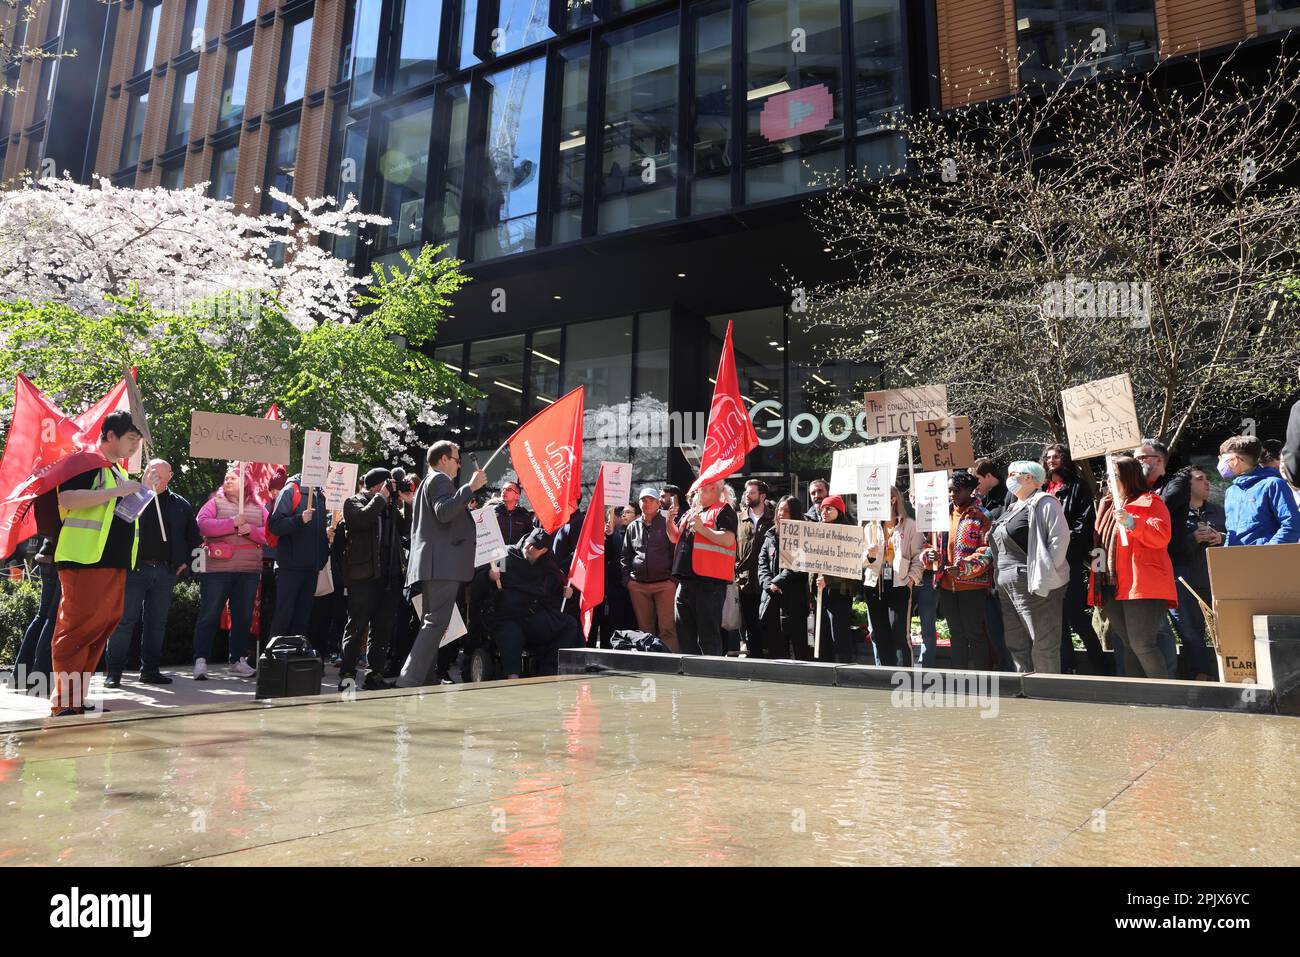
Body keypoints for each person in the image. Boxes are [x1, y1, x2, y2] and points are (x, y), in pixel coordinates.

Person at [48, 410, 144, 715]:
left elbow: (122, 511)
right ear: (110, 435)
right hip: (84, 560)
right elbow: (68, 499)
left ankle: (77, 697)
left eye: (138, 440)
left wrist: (142, 490)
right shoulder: (85, 462)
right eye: (131, 438)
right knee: (76, 630)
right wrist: (118, 491)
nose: (135, 446)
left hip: (111, 561)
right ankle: (64, 701)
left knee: (100, 628)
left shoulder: (117, 471)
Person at [103, 460, 200, 687]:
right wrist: (143, 492)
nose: (153, 475)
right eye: (149, 471)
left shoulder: (180, 504)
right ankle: (114, 672)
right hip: (136, 569)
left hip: (165, 571)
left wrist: (183, 561)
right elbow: (121, 520)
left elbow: (193, 536)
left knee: (157, 623)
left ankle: (150, 670)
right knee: (124, 621)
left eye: (158, 472)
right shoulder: (134, 496)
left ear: (171, 476)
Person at [400, 441, 487, 687]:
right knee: (436, 622)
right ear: (442, 459)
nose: (459, 465)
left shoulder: (430, 482)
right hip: (441, 565)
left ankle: (424, 679)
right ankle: (409, 679)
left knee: (432, 622)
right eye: (457, 459)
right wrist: (470, 488)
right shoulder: (439, 480)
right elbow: (444, 512)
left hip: (433, 564)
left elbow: (443, 516)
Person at [1090, 455, 1177, 679]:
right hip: (1111, 584)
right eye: (1107, 475)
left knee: (1142, 644)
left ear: (1129, 476)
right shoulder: (1106, 506)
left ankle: (1163, 696)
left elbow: (1161, 537)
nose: (1109, 480)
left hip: (1141, 584)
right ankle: (1139, 695)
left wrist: (1132, 523)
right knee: (1129, 644)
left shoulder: (1150, 502)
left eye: (1115, 475)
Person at [983, 460, 1070, 673]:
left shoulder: (1045, 502)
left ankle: (1047, 691)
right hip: (1006, 586)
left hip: (1034, 584)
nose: (1009, 478)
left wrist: (1046, 574)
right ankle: (1024, 687)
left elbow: (1059, 540)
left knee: (1042, 642)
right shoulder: (1012, 507)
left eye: (1013, 474)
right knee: (1016, 642)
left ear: (1029, 477)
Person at [193, 467, 270, 680]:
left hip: (248, 572)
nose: (227, 481)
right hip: (217, 569)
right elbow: (203, 525)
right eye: (226, 478)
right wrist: (232, 523)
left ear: (245, 481)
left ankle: (237, 660)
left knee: (243, 617)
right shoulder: (215, 503)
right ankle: (201, 660)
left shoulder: (258, 507)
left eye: (233, 478)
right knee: (209, 615)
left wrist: (251, 531)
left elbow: (271, 533)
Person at [1040, 443, 1106, 675]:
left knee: (1075, 614)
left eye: (1057, 456)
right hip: (1044, 562)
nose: (1051, 459)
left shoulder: (1078, 487)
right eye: (1048, 456)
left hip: (1068, 559)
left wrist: (1062, 544)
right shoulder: (1041, 489)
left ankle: (1099, 666)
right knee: (1056, 620)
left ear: (1066, 459)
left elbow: (1084, 523)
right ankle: (1067, 667)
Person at [339, 468, 405, 691]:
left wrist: (407, 501)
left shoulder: (390, 506)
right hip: (364, 576)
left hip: (389, 577)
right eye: (387, 484)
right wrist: (382, 497)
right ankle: (347, 675)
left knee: (382, 630)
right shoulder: (354, 501)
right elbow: (362, 520)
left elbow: (407, 528)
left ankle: (374, 674)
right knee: (356, 628)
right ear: (377, 485)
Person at [488, 528, 583, 677]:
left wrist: (563, 592)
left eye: (536, 547)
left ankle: (549, 669)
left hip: (534, 614)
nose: (530, 548)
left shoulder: (546, 564)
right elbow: (492, 575)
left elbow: (554, 586)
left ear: (544, 550)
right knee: (511, 637)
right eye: (529, 543)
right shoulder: (505, 554)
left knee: (569, 624)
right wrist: (491, 576)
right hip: (509, 615)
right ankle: (512, 675)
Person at [1135, 438, 1190, 678]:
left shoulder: (1176, 482)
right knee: (1153, 627)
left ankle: (1180, 677)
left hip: (1171, 563)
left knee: (1181, 626)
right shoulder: (1135, 489)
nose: (1136, 462)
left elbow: (1159, 507)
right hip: (1144, 566)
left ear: (1158, 460)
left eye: (1141, 457)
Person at [927, 470, 992, 671]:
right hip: (945, 584)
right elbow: (929, 544)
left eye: (956, 490)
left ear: (970, 490)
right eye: (949, 490)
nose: (952, 494)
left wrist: (964, 568)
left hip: (972, 586)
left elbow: (987, 550)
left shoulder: (982, 516)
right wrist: (929, 555)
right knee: (956, 633)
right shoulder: (940, 514)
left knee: (975, 633)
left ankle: (983, 678)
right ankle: (959, 676)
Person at [667, 480, 738, 656]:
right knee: (685, 634)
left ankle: (711, 673)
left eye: (700, 489)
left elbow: (728, 539)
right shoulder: (693, 512)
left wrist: (702, 529)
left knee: (708, 635)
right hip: (685, 581)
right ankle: (691, 672)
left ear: (713, 489)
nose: (697, 492)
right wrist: (669, 522)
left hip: (709, 584)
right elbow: (676, 538)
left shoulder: (724, 510)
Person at [863, 485, 924, 667]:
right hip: (874, 584)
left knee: (899, 634)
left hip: (900, 584)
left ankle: (904, 678)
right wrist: (869, 554)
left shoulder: (911, 525)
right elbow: (860, 561)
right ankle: (884, 677)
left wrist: (911, 581)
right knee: (879, 634)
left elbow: (918, 558)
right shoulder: (869, 528)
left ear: (892, 499)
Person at [1173, 466, 1225, 680]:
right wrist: (1193, 538)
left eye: (1207, 479)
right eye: (1200, 479)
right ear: (1188, 486)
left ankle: (1229, 672)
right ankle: (1201, 676)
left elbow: (1234, 536)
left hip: (1216, 580)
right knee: (1190, 632)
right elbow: (1170, 548)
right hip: (1186, 581)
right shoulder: (1176, 514)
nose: (1207, 483)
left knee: (1224, 630)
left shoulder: (1219, 510)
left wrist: (1221, 537)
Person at [267, 470, 330, 642]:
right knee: (284, 616)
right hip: (290, 567)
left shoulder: (320, 495)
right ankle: (275, 662)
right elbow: (275, 525)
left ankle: (295, 663)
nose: (327, 471)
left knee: (302, 621)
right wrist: (299, 520)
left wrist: (327, 537)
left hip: (312, 567)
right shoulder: (290, 490)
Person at [621, 487, 678, 650]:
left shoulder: (667, 523)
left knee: (668, 628)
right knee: (645, 630)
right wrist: (628, 581)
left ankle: (671, 665)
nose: (646, 503)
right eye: (643, 500)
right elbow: (625, 555)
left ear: (659, 503)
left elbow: (676, 553)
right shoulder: (633, 526)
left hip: (664, 584)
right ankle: (650, 663)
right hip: (638, 585)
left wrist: (672, 581)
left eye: (651, 500)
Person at [1218, 435, 1300, 545]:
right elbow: (1230, 532)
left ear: (1236, 460)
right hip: (1237, 559)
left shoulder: (1273, 484)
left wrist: (1265, 553)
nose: (1221, 464)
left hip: (1267, 560)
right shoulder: (1231, 491)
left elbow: (1291, 525)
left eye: (1224, 459)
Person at [757, 495, 811, 660]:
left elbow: (799, 563)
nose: (781, 513)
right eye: (780, 509)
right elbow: (762, 563)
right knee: (776, 644)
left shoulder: (803, 535)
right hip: (772, 598)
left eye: (786, 511)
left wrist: (778, 581)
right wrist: (769, 584)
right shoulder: (770, 535)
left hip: (794, 600)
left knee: (799, 645)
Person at [971, 457, 1012, 670]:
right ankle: (1002, 664)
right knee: (993, 626)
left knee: (1009, 626)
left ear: (988, 476)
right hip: (986, 574)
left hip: (1003, 572)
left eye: (976, 479)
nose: (974, 485)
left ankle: (1013, 668)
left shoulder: (1008, 496)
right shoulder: (982, 499)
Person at [811, 495, 858, 664]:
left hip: (840, 592)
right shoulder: (817, 530)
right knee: (822, 634)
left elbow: (849, 565)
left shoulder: (848, 534)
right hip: (820, 591)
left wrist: (828, 580)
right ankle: (824, 666)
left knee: (839, 633)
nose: (824, 511)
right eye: (822, 508)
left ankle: (845, 666)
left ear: (839, 511)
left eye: (829, 508)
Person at [735, 479, 775, 658]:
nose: (747, 495)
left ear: (762, 496)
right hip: (745, 582)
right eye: (746, 492)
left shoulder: (774, 518)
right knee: (750, 625)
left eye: (751, 492)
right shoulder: (738, 519)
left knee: (768, 624)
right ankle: (756, 659)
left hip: (768, 582)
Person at [15, 535, 60, 693]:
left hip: (47, 555)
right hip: (61, 559)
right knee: (52, 617)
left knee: (43, 616)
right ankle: (40, 678)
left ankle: (20, 677)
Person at [494, 479, 534, 547]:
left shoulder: (524, 514)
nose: (504, 491)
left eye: (509, 490)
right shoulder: (493, 511)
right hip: (496, 553)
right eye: (503, 489)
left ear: (517, 496)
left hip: (515, 554)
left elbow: (530, 535)